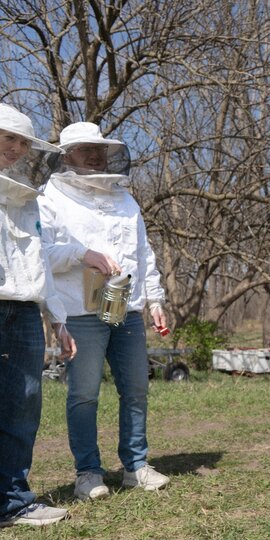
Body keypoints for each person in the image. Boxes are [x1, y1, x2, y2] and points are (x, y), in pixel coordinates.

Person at [38, 121, 170, 501]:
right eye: (86, 149)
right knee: (84, 394)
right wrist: (82, 254)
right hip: (78, 311)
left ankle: (136, 467)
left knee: (136, 389)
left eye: (99, 149)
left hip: (126, 307)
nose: (95, 156)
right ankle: (88, 473)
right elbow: (41, 254)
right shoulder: (50, 198)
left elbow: (143, 254)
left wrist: (155, 300)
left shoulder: (124, 199)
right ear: (66, 156)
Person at [0, 103, 75, 527]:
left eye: (23, 143)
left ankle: (12, 502)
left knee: (22, 406)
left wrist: (58, 318)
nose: (16, 148)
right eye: (8, 138)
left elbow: (39, 261)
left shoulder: (27, 200)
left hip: (25, 312)